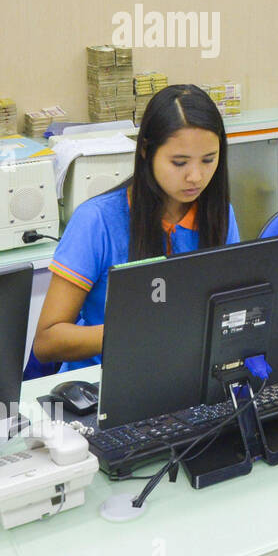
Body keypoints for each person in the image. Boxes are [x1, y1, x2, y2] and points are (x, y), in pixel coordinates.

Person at [34, 85, 240, 372]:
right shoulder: (97, 220)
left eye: (209, 160)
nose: (196, 176)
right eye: (179, 162)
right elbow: (47, 341)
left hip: (186, 373)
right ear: (145, 151)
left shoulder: (220, 214)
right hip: (104, 382)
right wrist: (140, 333)